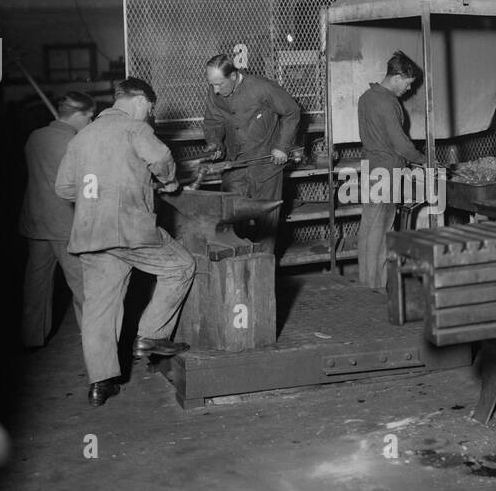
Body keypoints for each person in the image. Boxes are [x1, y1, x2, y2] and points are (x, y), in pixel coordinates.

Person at [55, 77, 195, 407]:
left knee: (99, 309)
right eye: (149, 107)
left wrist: (101, 197)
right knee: (181, 267)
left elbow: (63, 189)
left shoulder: (81, 137)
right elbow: (161, 159)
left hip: (91, 233)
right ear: (138, 101)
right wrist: (169, 182)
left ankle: (100, 384)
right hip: (131, 230)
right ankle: (151, 337)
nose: (149, 114)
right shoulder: (135, 128)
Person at [18, 91, 96, 349]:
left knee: (36, 285)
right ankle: (94, 344)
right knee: (83, 285)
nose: (90, 121)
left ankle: (32, 339)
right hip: (65, 225)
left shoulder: (35, 137)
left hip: (36, 222)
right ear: (78, 115)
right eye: (89, 116)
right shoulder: (77, 143)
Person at [202, 53, 302, 239]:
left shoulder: (262, 88)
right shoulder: (214, 92)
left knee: (266, 225)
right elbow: (213, 122)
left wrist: (282, 146)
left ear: (233, 76)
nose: (215, 90)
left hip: (265, 167)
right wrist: (215, 143)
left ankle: (263, 262)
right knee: (231, 219)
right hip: (234, 165)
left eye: (219, 84)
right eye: (212, 84)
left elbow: (292, 112)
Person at [356, 51, 425, 291]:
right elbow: (400, 144)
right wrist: (424, 160)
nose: (408, 89)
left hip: (370, 168)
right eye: (408, 83)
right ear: (397, 77)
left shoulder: (366, 98)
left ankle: (366, 283)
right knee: (383, 231)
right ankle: (377, 288)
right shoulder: (388, 102)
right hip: (387, 170)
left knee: (368, 228)